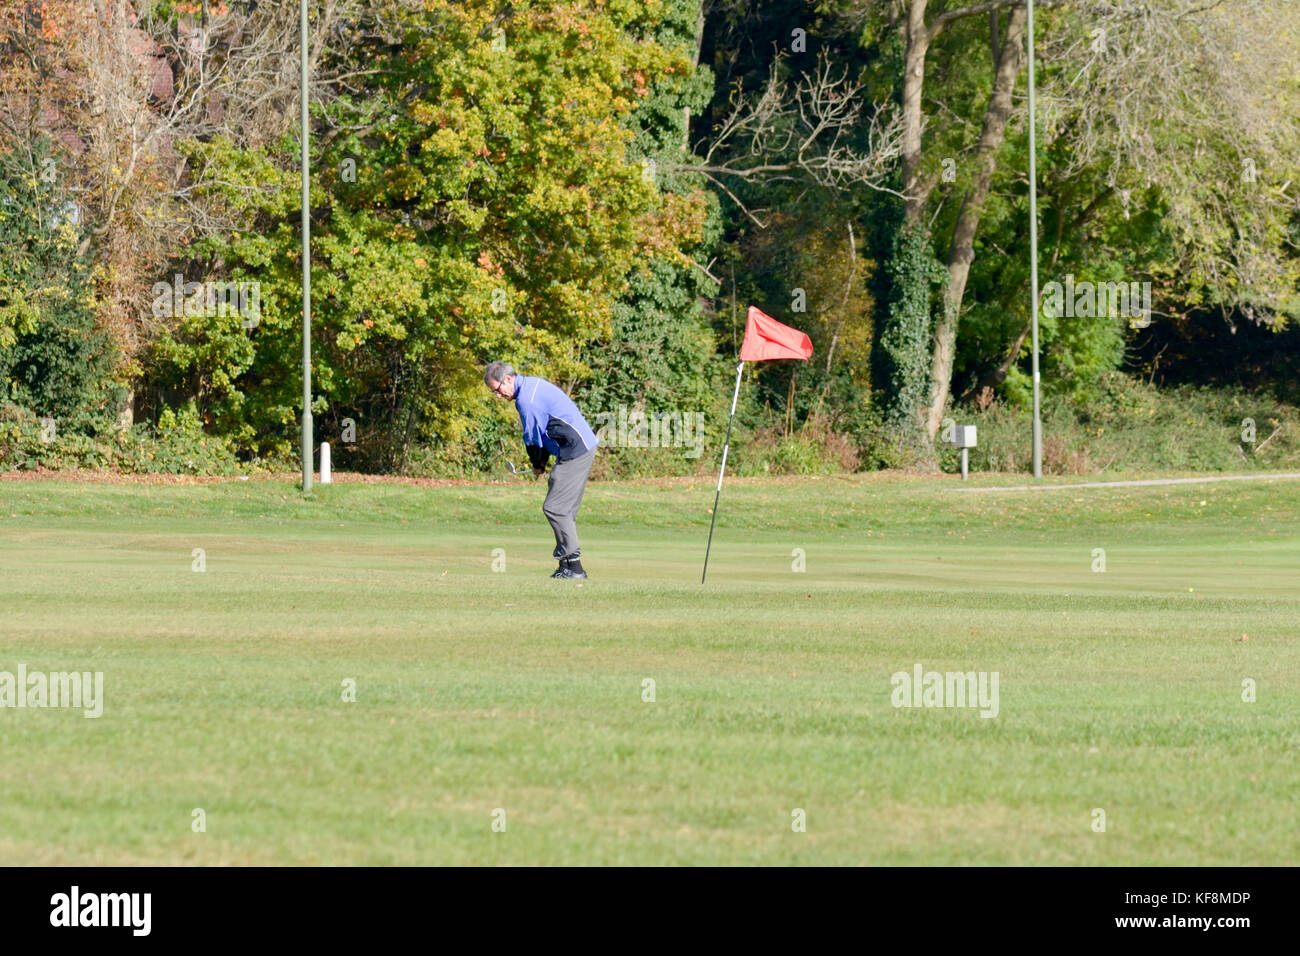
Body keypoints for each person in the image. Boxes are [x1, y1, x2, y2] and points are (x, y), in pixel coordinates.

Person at [484, 361, 598, 579]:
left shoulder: (527, 400)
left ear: (507, 379)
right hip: (574, 447)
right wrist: (541, 462)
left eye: (497, 390)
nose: (498, 396)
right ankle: (566, 565)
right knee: (563, 509)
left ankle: (574, 567)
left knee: (555, 508)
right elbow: (542, 434)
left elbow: (533, 438)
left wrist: (538, 464)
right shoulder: (530, 385)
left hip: (577, 449)